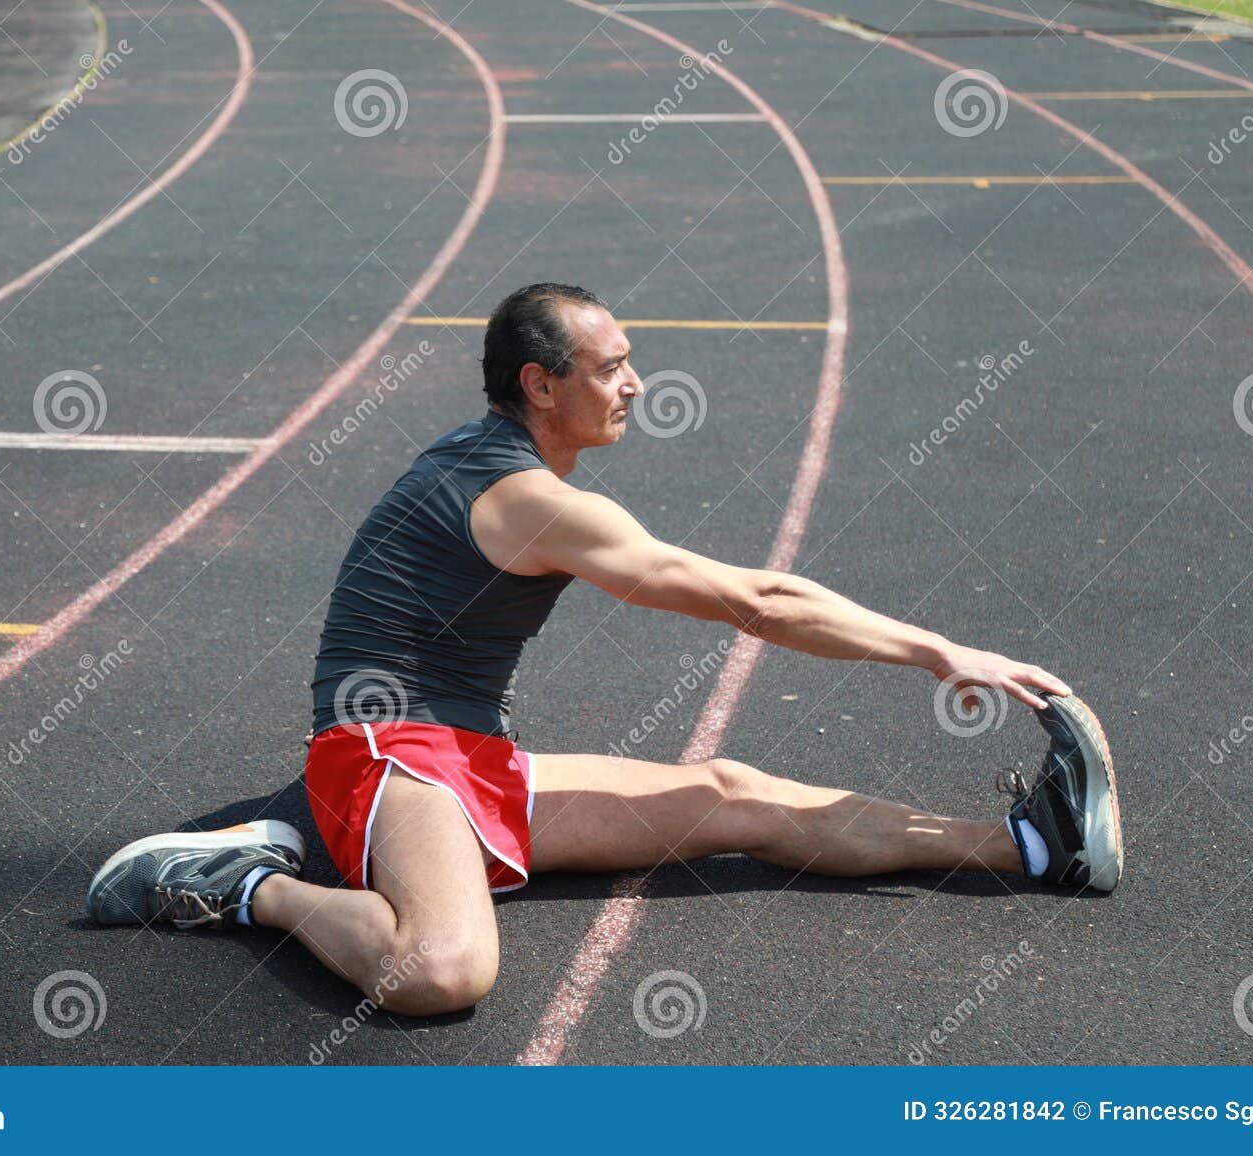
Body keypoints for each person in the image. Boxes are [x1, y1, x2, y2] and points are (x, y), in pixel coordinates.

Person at [88, 283, 1122, 1016]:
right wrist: (936, 651)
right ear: (541, 385)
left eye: (630, 362)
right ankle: (242, 883)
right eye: (611, 366)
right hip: (386, 752)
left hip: (463, 754)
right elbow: (754, 602)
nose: (634, 383)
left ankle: (1033, 843)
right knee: (441, 974)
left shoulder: (499, 458)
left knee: (732, 791)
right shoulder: (524, 499)